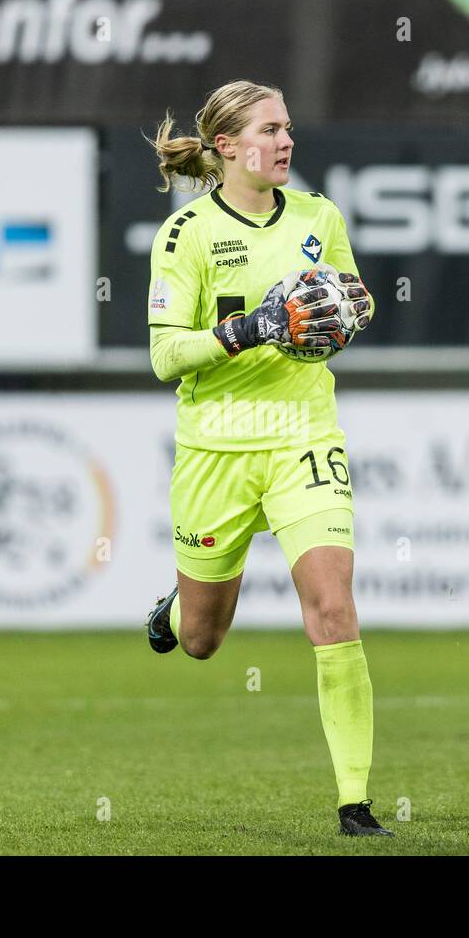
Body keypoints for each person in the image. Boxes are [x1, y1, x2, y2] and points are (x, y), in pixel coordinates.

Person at [141, 80, 388, 836]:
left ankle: (355, 803)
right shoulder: (184, 235)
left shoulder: (319, 217)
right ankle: (178, 607)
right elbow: (164, 356)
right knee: (202, 641)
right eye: (269, 130)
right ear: (225, 147)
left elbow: (356, 301)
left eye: (288, 129)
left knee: (333, 607)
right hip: (216, 450)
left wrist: (341, 317)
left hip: (303, 437)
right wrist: (252, 328)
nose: (285, 142)